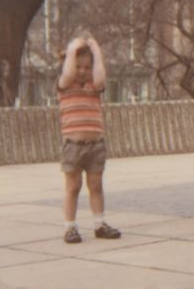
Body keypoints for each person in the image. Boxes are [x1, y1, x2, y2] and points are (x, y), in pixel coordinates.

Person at [58, 35, 121, 244]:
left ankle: (99, 223)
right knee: (73, 187)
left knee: (96, 186)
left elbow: (101, 78)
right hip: (73, 146)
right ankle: (70, 227)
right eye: (79, 66)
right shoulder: (64, 85)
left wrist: (97, 52)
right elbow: (67, 73)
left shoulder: (95, 87)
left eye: (87, 67)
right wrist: (72, 47)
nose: (83, 71)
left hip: (95, 145)